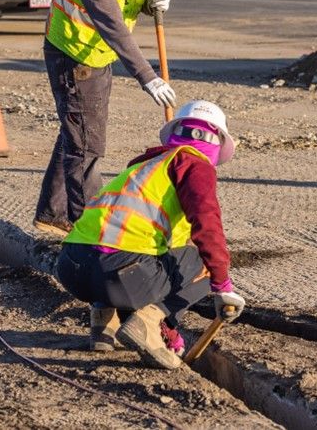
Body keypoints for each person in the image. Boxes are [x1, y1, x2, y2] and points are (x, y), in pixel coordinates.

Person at [55, 100, 247, 369]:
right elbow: (207, 224)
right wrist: (222, 285)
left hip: (71, 266)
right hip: (116, 274)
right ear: (216, 141)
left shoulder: (143, 166)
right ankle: (149, 322)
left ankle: (103, 321)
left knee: (132, 254)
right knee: (202, 264)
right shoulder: (195, 165)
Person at [34, 0, 177, 235]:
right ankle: (90, 231)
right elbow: (112, 23)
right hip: (75, 57)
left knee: (77, 133)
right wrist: (147, 76)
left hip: (97, 56)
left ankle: (53, 213)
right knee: (86, 146)